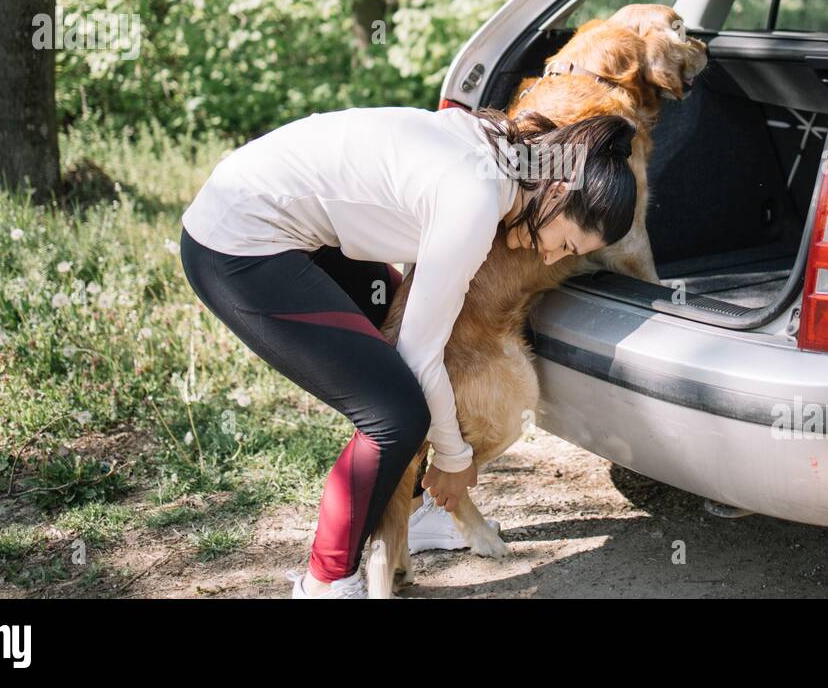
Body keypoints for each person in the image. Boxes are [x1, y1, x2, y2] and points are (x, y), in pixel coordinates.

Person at [178, 104, 639, 598]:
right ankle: (327, 581)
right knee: (394, 414)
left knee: (395, 346)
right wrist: (455, 457)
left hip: (302, 230)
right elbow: (423, 354)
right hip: (240, 243)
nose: (551, 257)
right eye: (565, 243)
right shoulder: (477, 199)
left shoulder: (504, 160)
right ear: (555, 191)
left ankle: (415, 516)